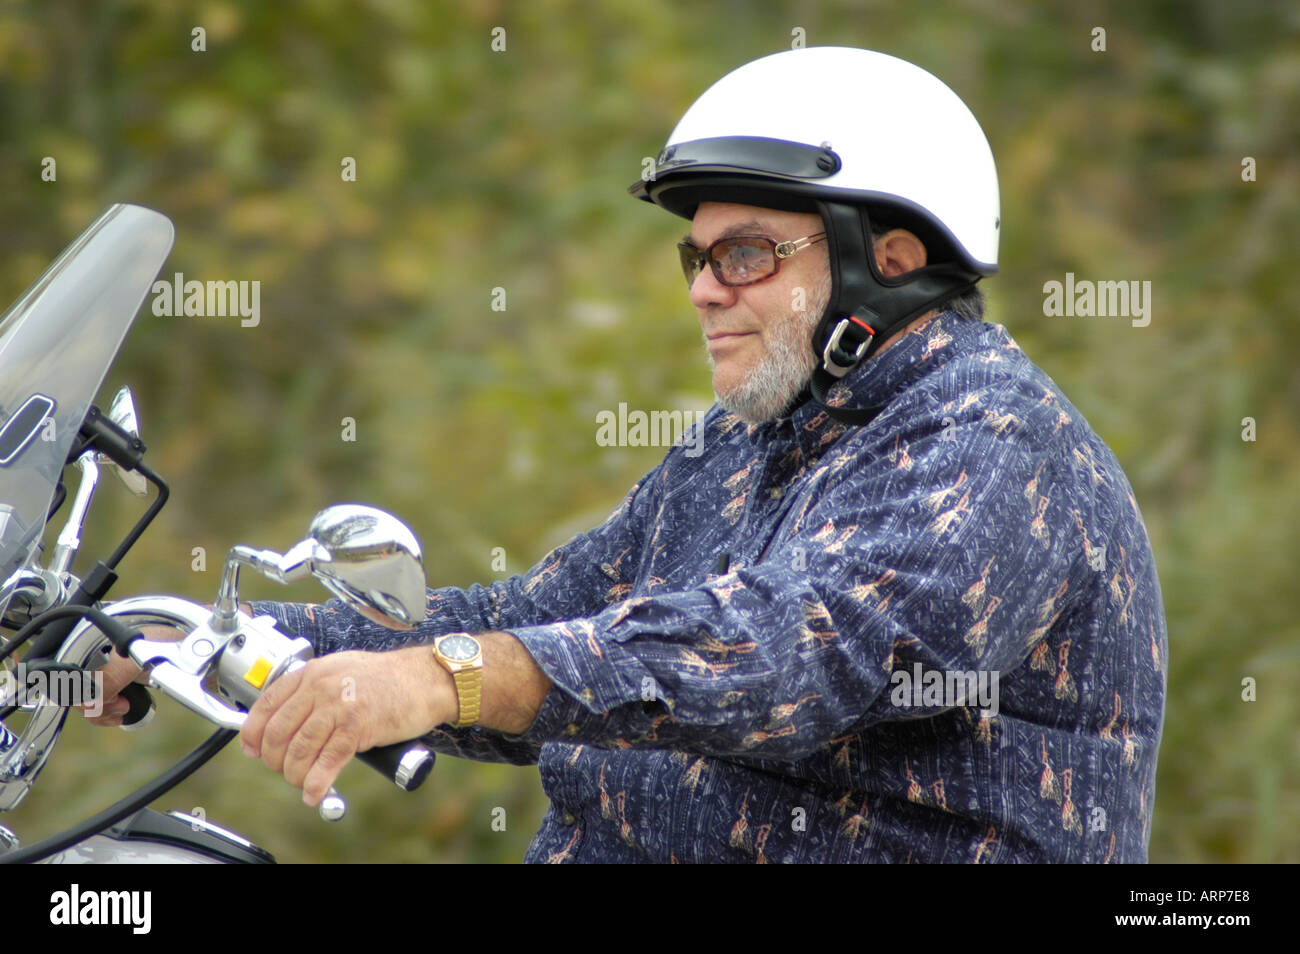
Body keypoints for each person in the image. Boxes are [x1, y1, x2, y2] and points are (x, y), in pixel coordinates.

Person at [93, 47, 1167, 863]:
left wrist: (442, 681)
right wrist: (206, 629)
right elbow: (545, 620)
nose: (705, 287)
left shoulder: (990, 443)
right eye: (695, 257)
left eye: (746, 253)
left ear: (885, 259)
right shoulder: (758, 438)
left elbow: (792, 651)